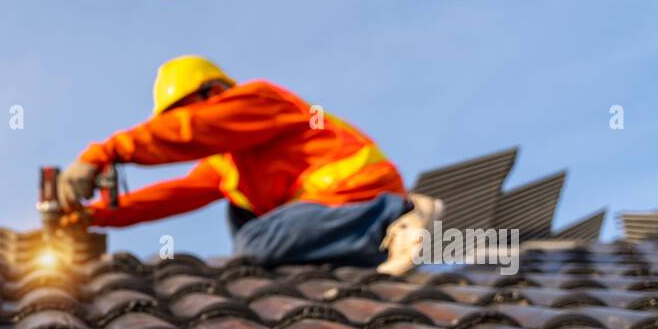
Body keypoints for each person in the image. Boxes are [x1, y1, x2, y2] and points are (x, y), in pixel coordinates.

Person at [57, 55, 441, 275]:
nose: (171, 125)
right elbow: (172, 196)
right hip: (325, 206)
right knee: (242, 216)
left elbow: (191, 130)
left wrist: (101, 154)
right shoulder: (227, 163)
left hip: (360, 190)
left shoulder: (256, 100)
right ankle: (377, 248)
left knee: (253, 241)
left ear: (215, 93)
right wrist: (95, 218)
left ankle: (396, 215)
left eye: (177, 113)